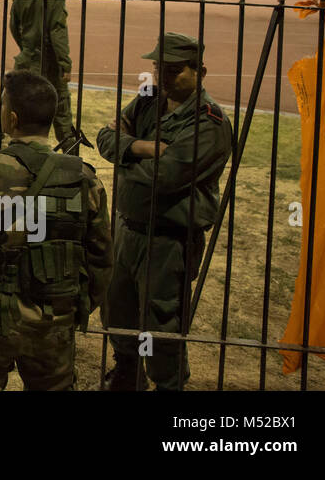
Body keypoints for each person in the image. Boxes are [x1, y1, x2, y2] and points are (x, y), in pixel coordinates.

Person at [0, 71, 112, 390]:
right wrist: (77, 306)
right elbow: (101, 257)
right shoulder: (84, 178)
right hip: (53, 318)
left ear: (11, 118)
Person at [97, 33, 231, 391]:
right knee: (117, 307)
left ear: (200, 71)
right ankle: (127, 369)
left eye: (174, 70)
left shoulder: (209, 123)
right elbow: (104, 137)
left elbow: (163, 177)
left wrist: (123, 157)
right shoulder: (148, 99)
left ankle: (167, 384)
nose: (164, 77)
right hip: (127, 229)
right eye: (159, 68)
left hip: (168, 240)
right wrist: (143, 146)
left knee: (161, 322)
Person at [0, 0, 74, 152]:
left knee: (11, 100)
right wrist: (65, 63)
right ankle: (71, 153)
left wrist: (26, 48)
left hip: (27, 59)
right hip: (50, 64)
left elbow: (13, 25)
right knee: (61, 109)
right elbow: (57, 32)